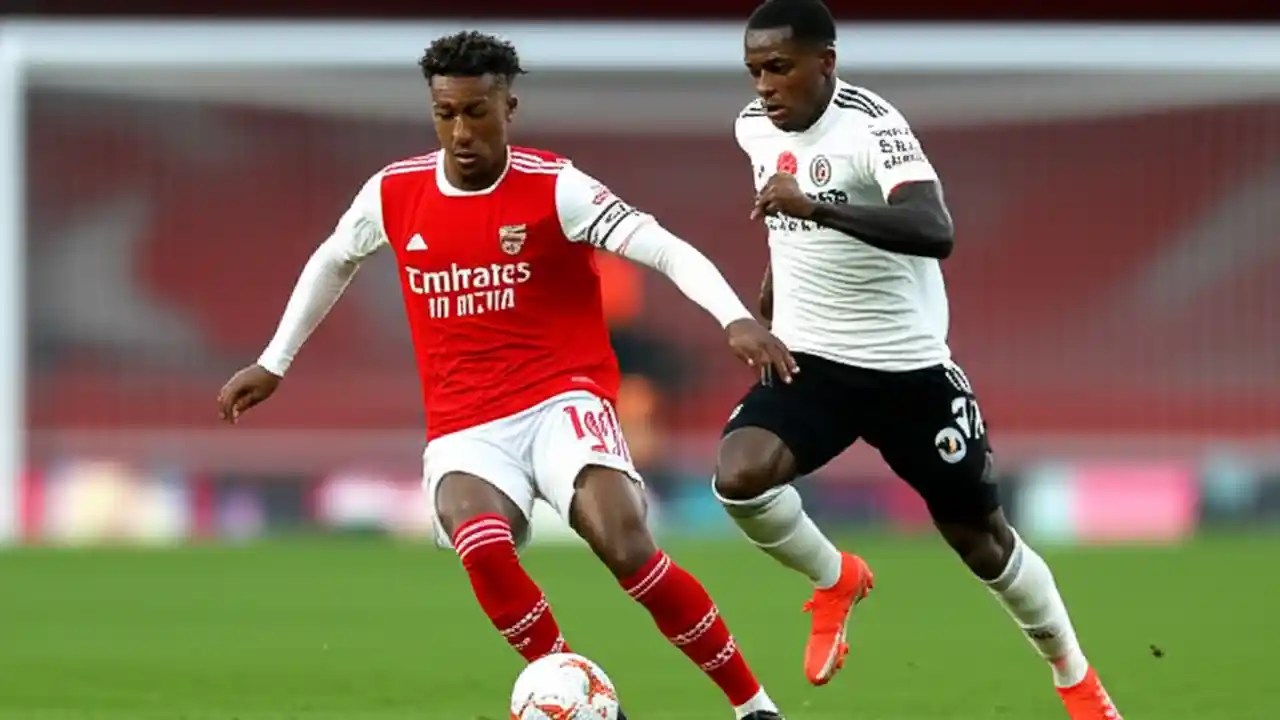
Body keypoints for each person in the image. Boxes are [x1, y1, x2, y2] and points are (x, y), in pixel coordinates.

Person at [216, 31, 790, 720]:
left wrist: (734, 318)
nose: (461, 130)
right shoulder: (393, 193)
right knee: (482, 547)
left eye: (477, 111)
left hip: (560, 401)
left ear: (508, 107)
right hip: (465, 424)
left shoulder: (558, 189)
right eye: (446, 113)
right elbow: (333, 258)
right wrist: (274, 361)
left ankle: (752, 705)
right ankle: (580, 691)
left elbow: (664, 249)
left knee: (624, 542)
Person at [711, 2, 1123, 718]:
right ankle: (836, 579)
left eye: (779, 67)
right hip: (815, 363)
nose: (764, 87)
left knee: (982, 541)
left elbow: (936, 228)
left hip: (908, 372)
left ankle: (1076, 680)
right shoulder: (752, 128)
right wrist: (774, 297)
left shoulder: (875, 127)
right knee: (740, 478)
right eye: (754, 71)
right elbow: (785, 225)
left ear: (826, 63)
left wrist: (817, 208)